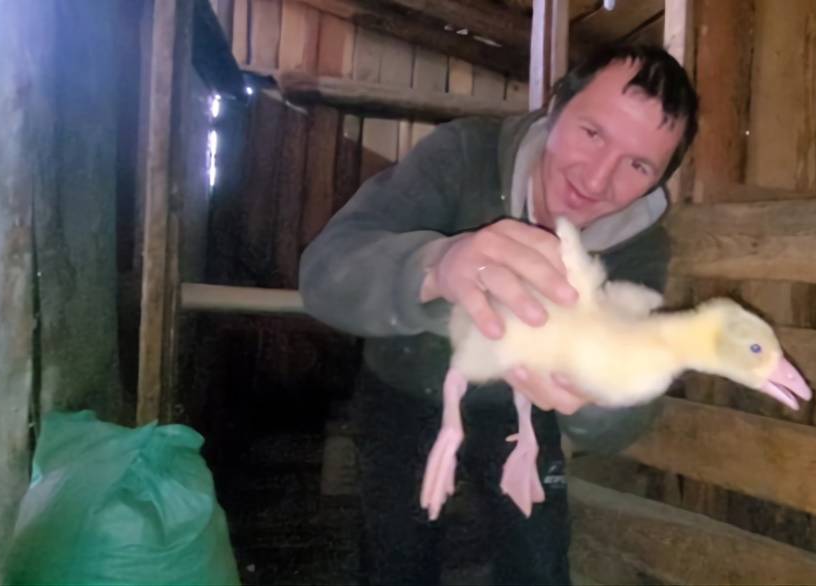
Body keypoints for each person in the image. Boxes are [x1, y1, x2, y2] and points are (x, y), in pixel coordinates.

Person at [299, 44, 699, 585]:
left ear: (656, 180)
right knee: (396, 560)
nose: (597, 180)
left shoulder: (637, 245)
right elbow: (324, 274)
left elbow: (622, 416)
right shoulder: (463, 155)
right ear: (555, 108)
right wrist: (437, 266)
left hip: (520, 411)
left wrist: (597, 399)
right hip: (402, 385)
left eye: (637, 165)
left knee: (539, 564)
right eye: (592, 132)